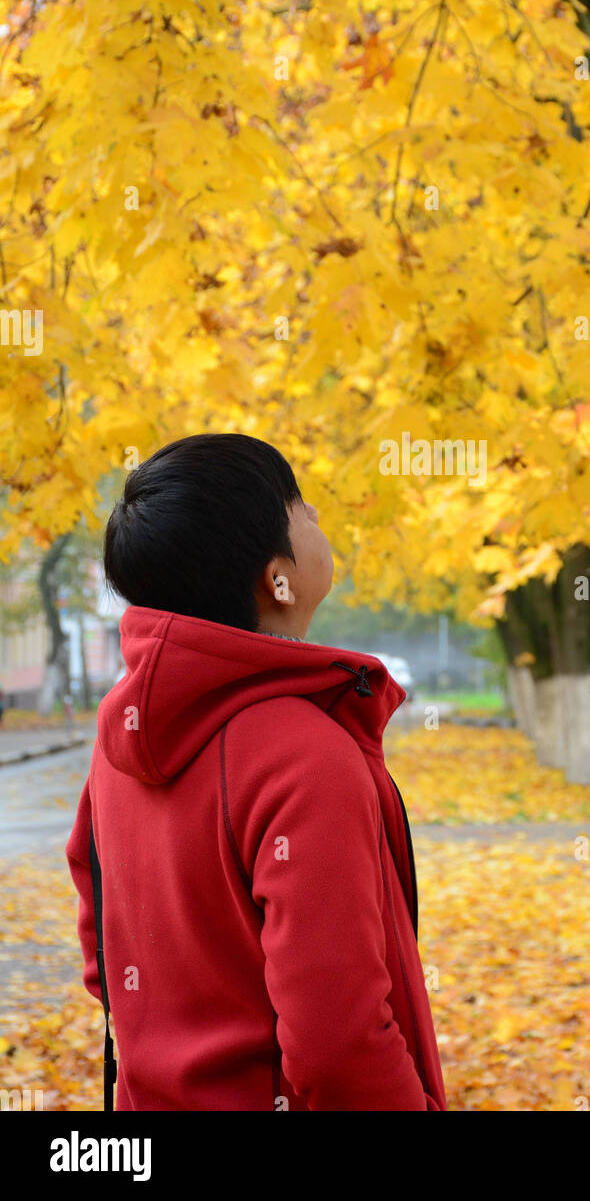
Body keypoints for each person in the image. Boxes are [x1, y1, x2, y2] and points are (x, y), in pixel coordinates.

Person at [66, 433, 446, 1111]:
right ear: (276, 577)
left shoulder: (118, 736)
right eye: (297, 503)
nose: (317, 515)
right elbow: (340, 1043)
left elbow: (105, 954)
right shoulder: (305, 758)